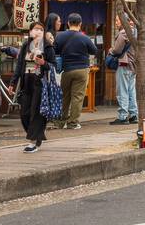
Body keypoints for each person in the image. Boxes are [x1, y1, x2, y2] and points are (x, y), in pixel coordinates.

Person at [13, 20, 55, 152]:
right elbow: (19, 65)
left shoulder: (47, 47)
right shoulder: (26, 45)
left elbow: (54, 65)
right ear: (30, 32)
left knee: (36, 112)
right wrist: (13, 83)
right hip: (26, 81)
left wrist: (44, 63)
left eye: (41, 29)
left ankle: (32, 141)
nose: (38, 32)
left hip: (40, 83)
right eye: (35, 29)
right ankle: (37, 134)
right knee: (24, 113)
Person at [53, 13, 97, 130]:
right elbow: (94, 51)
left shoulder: (60, 36)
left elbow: (54, 50)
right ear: (80, 24)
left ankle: (60, 122)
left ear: (68, 23)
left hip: (66, 70)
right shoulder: (84, 37)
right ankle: (72, 123)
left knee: (64, 96)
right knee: (77, 97)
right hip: (82, 70)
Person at [108, 13, 137, 125]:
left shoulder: (124, 32)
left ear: (124, 21)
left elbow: (117, 50)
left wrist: (111, 50)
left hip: (124, 64)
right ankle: (134, 114)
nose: (116, 23)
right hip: (134, 65)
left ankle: (123, 116)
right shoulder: (136, 31)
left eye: (117, 21)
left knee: (122, 90)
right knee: (131, 90)